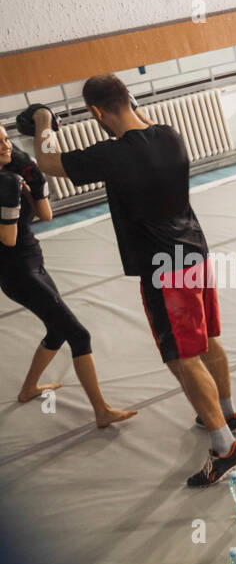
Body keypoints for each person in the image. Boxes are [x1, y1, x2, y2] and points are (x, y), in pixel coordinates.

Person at [26, 75, 236, 486]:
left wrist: (43, 122)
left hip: (165, 270)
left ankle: (225, 448)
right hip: (195, 253)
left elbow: (48, 163)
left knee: (183, 355)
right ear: (129, 98)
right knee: (209, 339)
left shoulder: (113, 156)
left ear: (95, 113)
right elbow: (136, 119)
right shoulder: (170, 135)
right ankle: (227, 413)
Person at [0, 127, 135, 427]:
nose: (5, 145)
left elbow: (45, 214)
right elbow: (7, 239)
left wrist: (35, 185)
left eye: (5, 138)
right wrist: (10, 196)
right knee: (79, 334)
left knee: (57, 329)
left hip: (33, 259)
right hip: (17, 272)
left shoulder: (12, 173)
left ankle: (28, 389)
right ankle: (101, 411)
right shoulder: (4, 183)